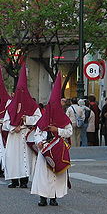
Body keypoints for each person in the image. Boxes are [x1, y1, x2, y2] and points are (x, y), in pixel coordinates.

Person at [30, 74, 73, 206]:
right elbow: (37, 132)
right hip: (45, 151)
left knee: (58, 174)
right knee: (43, 175)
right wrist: (39, 142)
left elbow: (69, 132)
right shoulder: (43, 119)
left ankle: (54, 196)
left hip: (58, 150)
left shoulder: (64, 119)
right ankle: (43, 197)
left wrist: (57, 130)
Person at [2, 66, 41, 189]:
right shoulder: (11, 106)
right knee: (13, 157)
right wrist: (13, 128)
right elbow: (5, 122)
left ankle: (24, 180)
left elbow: (39, 118)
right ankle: (14, 180)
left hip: (26, 134)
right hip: (14, 136)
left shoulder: (32, 105)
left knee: (25, 158)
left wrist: (27, 120)